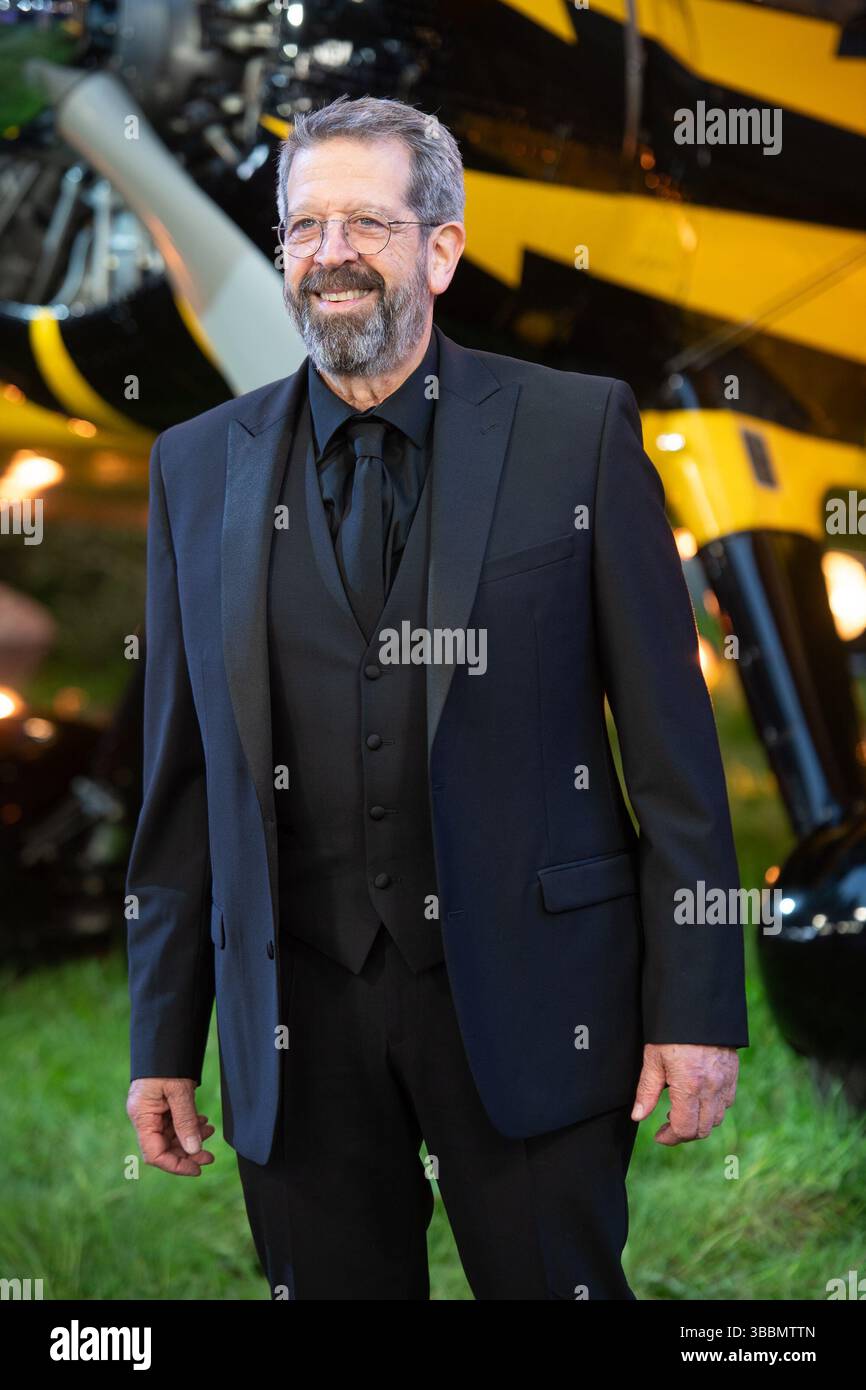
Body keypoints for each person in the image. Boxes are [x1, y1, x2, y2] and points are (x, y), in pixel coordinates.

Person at [125, 94, 748, 1301]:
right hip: (296, 1011)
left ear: (442, 249)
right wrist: (163, 1038)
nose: (330, 255)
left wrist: (696, 1009)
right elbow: (182, 778)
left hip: (528, 990)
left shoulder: (577, 433)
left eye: (366, 222)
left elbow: (673, 757)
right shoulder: (194, 466)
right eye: (303, 228)